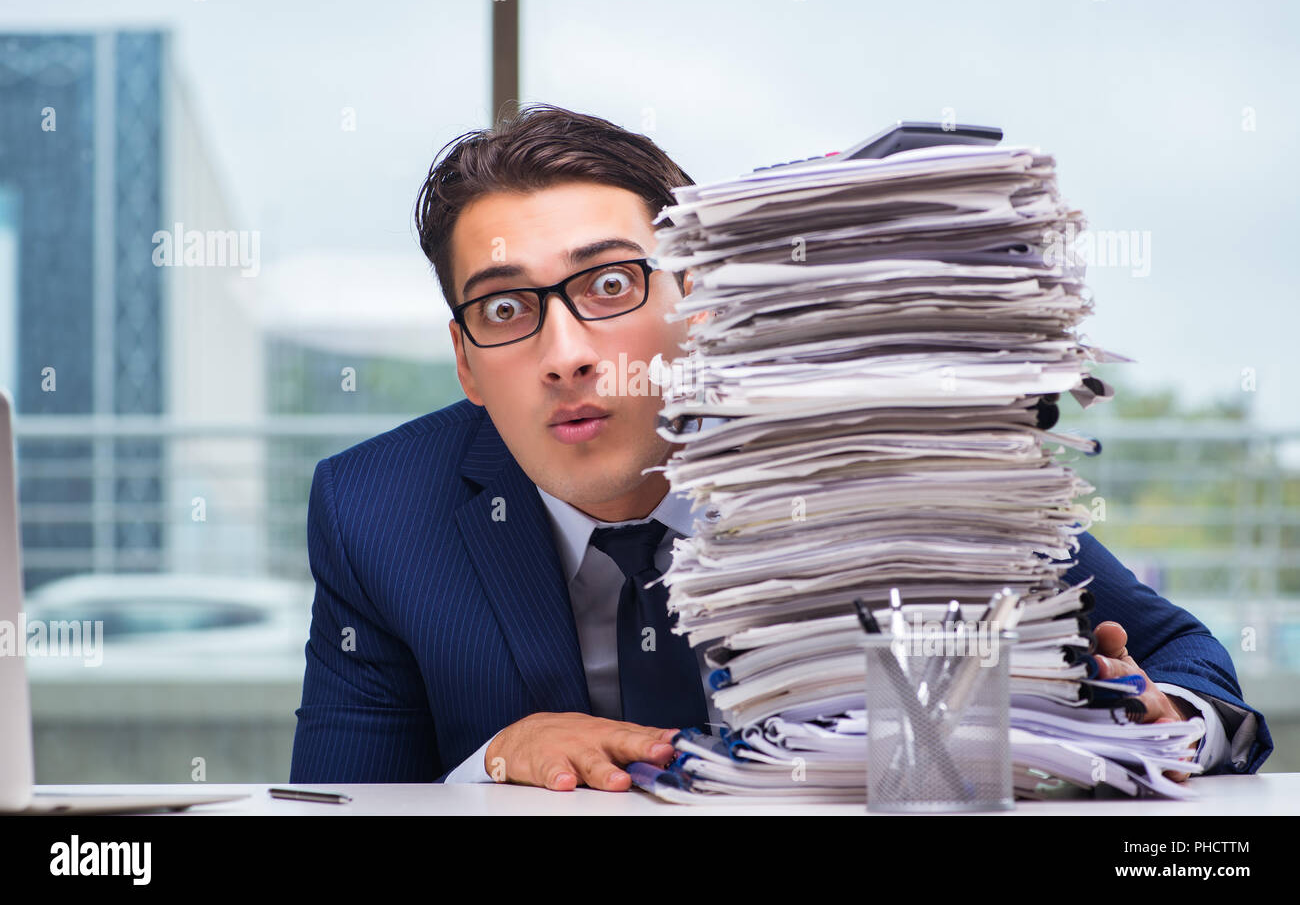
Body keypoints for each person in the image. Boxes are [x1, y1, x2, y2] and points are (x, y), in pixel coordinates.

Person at [289, 104, 1272, 789]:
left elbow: (1180, 656)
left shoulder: (866, 454)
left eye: (611, 286)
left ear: (701, 307)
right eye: (506, 308)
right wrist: (495, 759)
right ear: (465, 364)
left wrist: (1165, 716)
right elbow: (334, 803)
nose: (565, 355)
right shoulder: (379, 514)